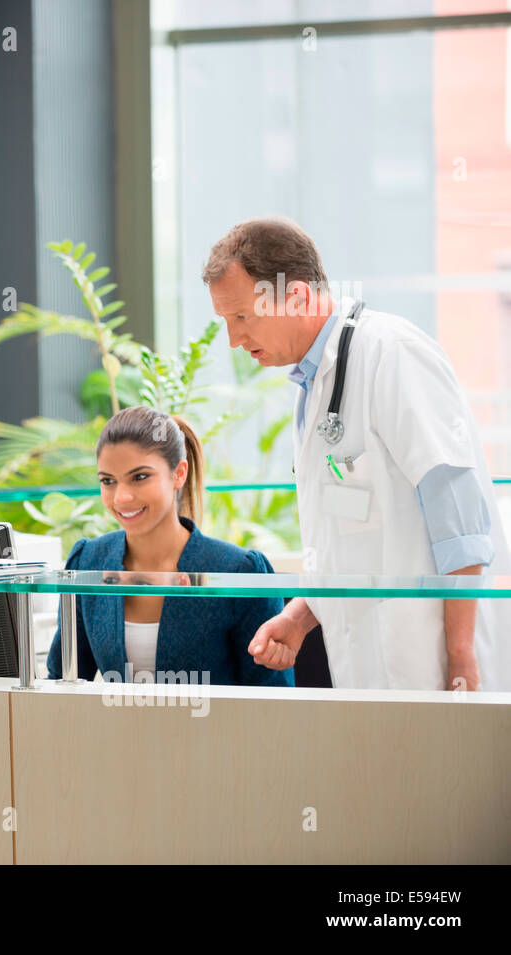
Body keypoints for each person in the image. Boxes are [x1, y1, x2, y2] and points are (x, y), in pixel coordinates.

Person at [203, 216, 510, 691]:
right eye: (226, 321)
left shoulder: (393, 354)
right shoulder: (315, 385)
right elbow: (349, 538)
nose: (234, 339)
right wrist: (301, 618)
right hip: (371, 669)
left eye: (242, 317)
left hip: (432, 663)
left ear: (298, 297)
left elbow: (462, 526)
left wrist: (461, 653)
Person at [45, 406, 293, 688]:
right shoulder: (88, 562)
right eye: (108, 481)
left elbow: (274, 698)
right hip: (117, 732)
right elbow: (61, 683)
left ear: (179, 474)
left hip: (214, 731)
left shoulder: (239, 570)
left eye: (140, 477)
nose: (122, 497)